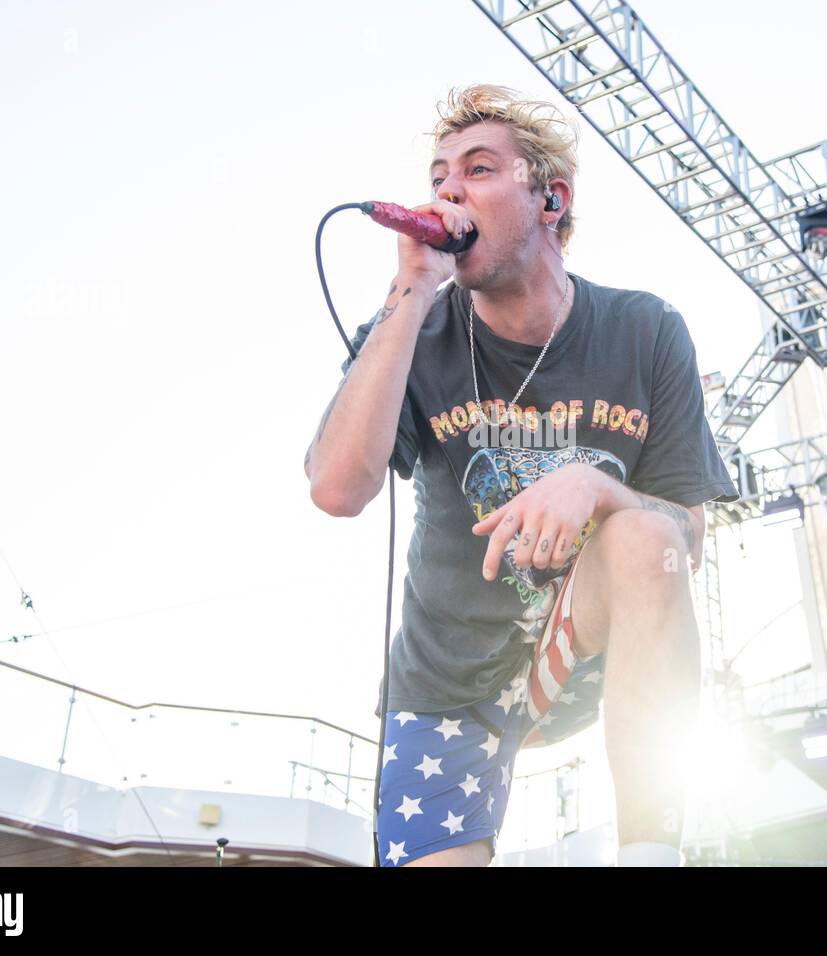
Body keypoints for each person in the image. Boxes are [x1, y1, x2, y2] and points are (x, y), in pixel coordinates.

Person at [305, 85, 738, 867]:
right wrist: (410, 292)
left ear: (550, 199)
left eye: (477, 169)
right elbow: (338, 489)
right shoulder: (413, 329)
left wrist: (600, 487)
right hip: (447, 686)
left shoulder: (645, 330)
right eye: (439, 176)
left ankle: (651, 857)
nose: (447, 191)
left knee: (647, 533)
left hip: (580, 656)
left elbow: (689, 539)